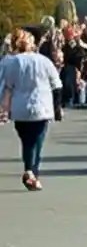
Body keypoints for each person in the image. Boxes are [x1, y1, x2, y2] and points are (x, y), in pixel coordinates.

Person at [0, 29, 62, 190]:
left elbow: (8, 87)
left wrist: (4, 108)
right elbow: (56, 85)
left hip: (20, 107)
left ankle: (29, 170)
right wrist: (57, 108)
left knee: (26, 141)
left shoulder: (13, 62)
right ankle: (33, 171)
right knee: (38, 141)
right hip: (41, 106)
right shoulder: (44, 61)